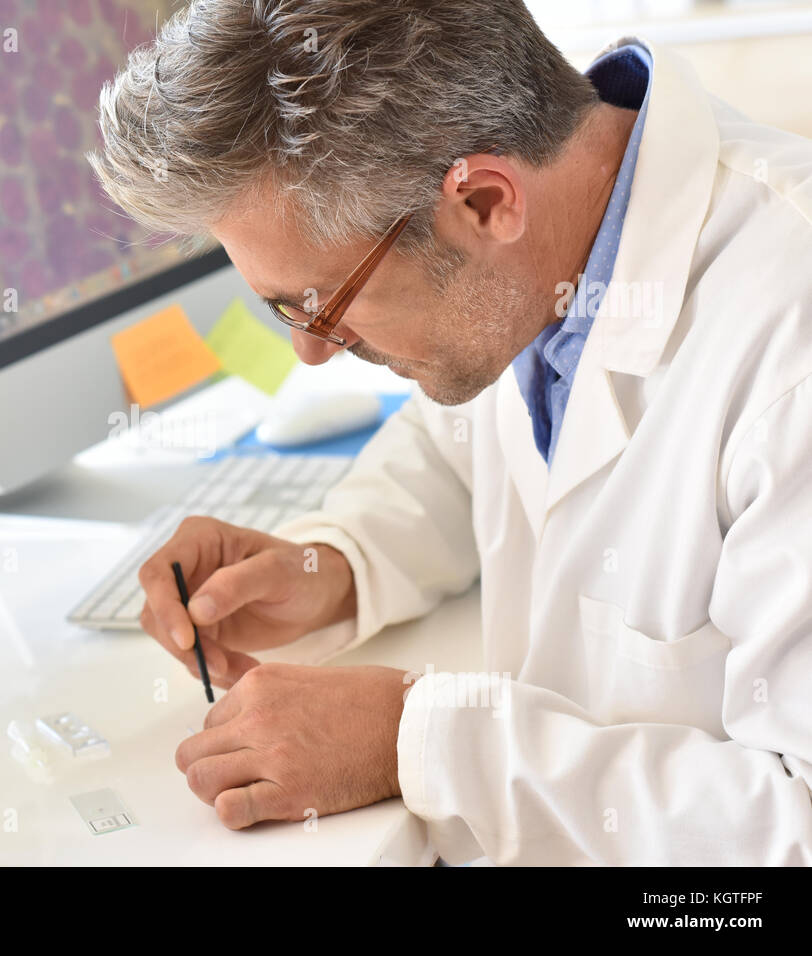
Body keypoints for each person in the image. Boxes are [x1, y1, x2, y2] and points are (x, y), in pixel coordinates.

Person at [89, 0, 812, 864]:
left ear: (482, 200)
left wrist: (422, 740)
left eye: (317, 305)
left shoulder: (788, 347)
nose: (310, 355)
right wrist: (335, 565)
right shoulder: (551, 239)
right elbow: (456, 448)